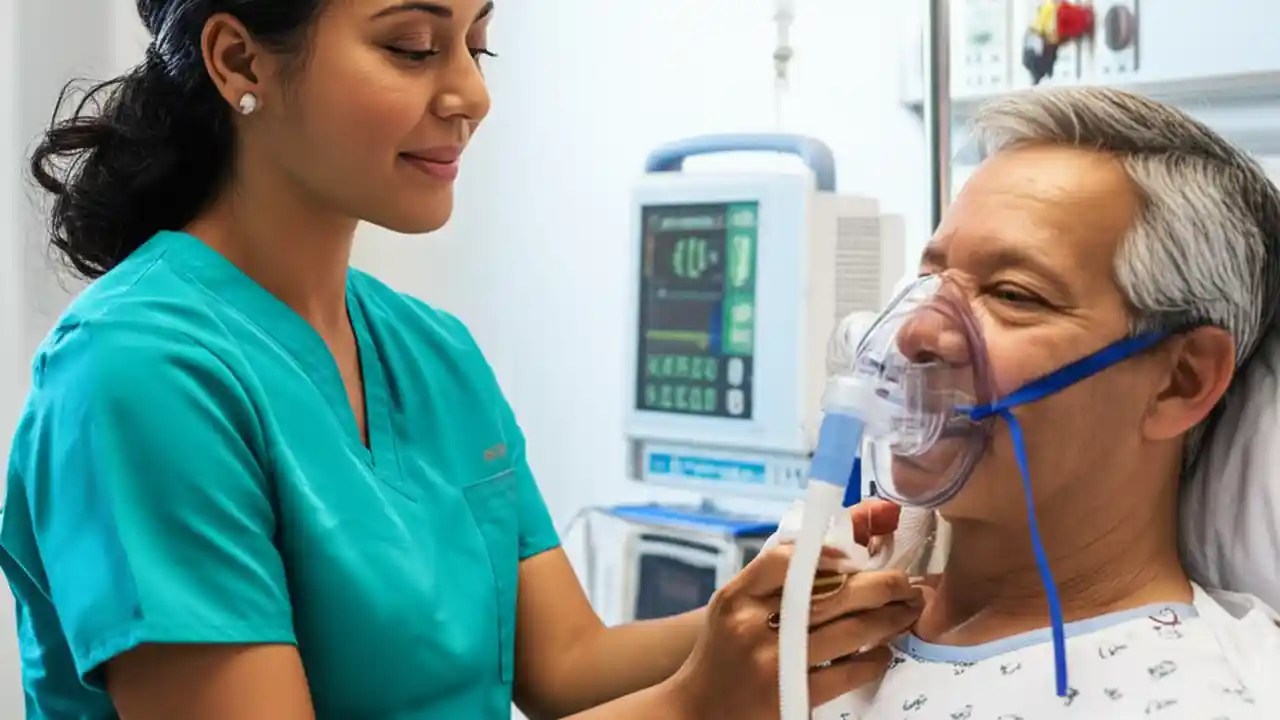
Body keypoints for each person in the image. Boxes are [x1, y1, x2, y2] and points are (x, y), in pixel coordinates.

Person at [0, 2, 924, 719]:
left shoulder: (431, 351)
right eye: (411, 46)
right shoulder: (137, 374)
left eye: (476, 46)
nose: (471, 95)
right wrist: (693, 701)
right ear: (239, 59)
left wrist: (776, 605)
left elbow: (566, 666)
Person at [804, 86, 1280, 719]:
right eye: (930, 281)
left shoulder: (1209, 698)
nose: (916, 332)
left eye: (1014, 294)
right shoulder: (793, 637)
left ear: (1181, 381)